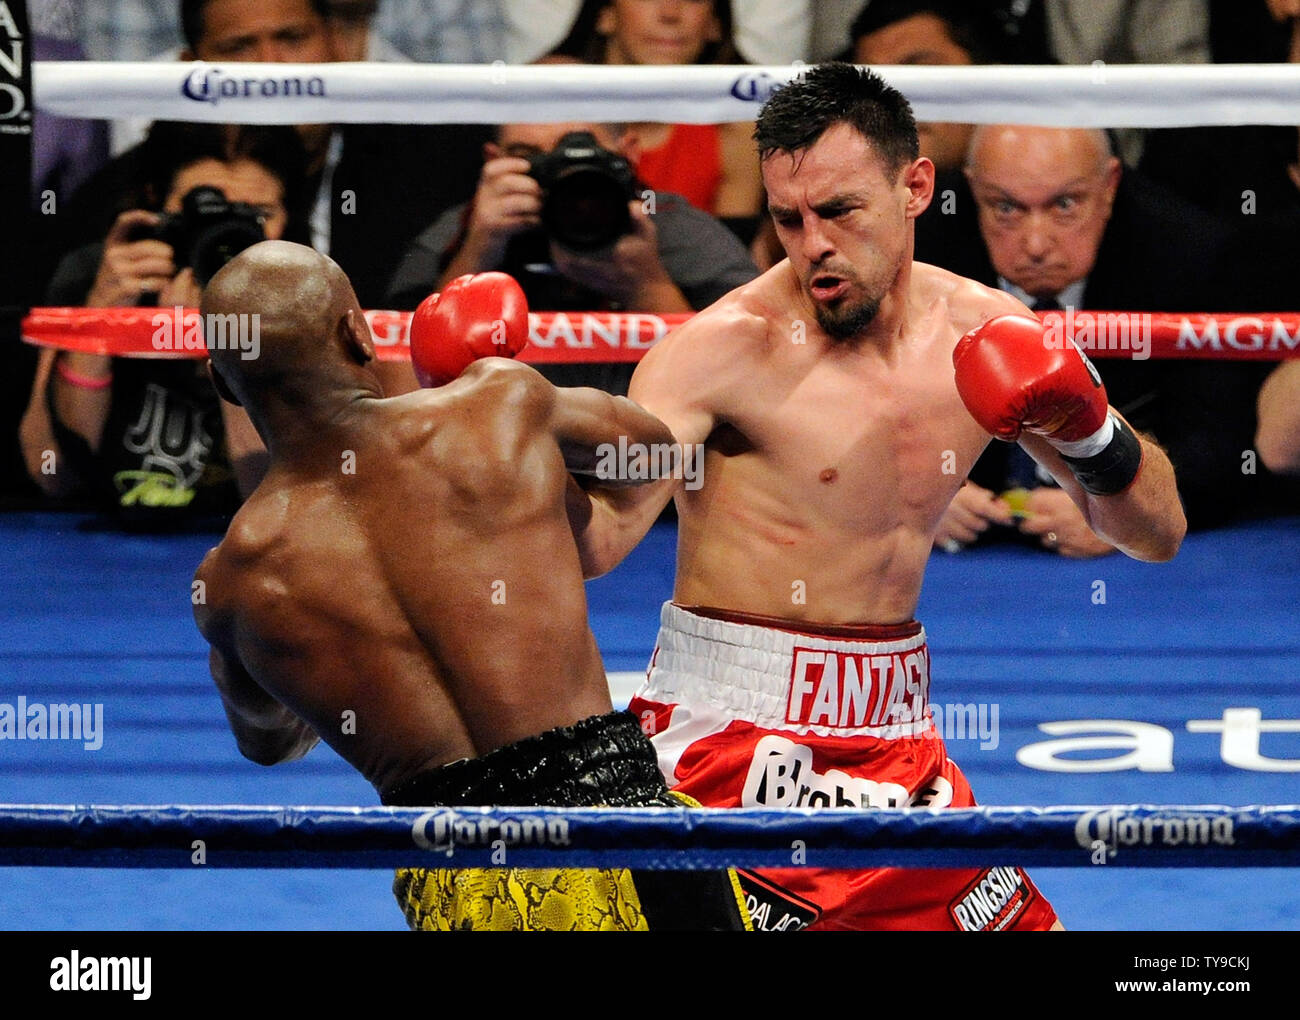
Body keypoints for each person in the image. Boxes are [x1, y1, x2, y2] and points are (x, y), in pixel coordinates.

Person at [570, 64, 1186, 931]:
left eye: (840, 211)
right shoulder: (718, 354)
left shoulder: (988, 336)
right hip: (726, 744)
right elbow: (599, 540)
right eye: (788, 219)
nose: (812, 243)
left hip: (900, 740)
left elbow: (1156, 535)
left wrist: (1092, 435)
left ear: (916, 189)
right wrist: (503, 455)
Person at [192, 241, 750, 931]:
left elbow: (268, 742)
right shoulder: (500, 407)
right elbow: (655, 451)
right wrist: (532, 502)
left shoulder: (235, 583)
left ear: (219, 381)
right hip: (624, 826)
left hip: (466, 873)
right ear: (358, 333)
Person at [920, 123, 1265, 551]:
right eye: (1005, 208)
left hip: (1141, 570)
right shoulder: (920, 248)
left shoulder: (1189, 255)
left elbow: (1223, 444)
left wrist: (1118, 504)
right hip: (967, 563)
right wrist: (920, 492)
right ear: (973, 188)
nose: (1036, 243)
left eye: (1065, 204)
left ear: (1109, 187)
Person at [19, 122, 307, 522]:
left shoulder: (308, 293)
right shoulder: (102, 275)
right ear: (156, 204)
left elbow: (272, 490)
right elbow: (51, 470)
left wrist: (227, 350)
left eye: (256, 214)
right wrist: (102, 320)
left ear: (289, 216)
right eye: (203, 210)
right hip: (109, 548)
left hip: (241, 545)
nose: (224, 231)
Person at [386, 120, 758, 395]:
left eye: (581, 157)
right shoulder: (466, 230)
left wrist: (648, 288)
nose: (563, 180)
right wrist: (478, 252)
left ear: (627, 154)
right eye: (531, 159)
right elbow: (398, 391)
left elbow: (750, 382)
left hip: (645, 464)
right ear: (493, 160)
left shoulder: (677, 230)